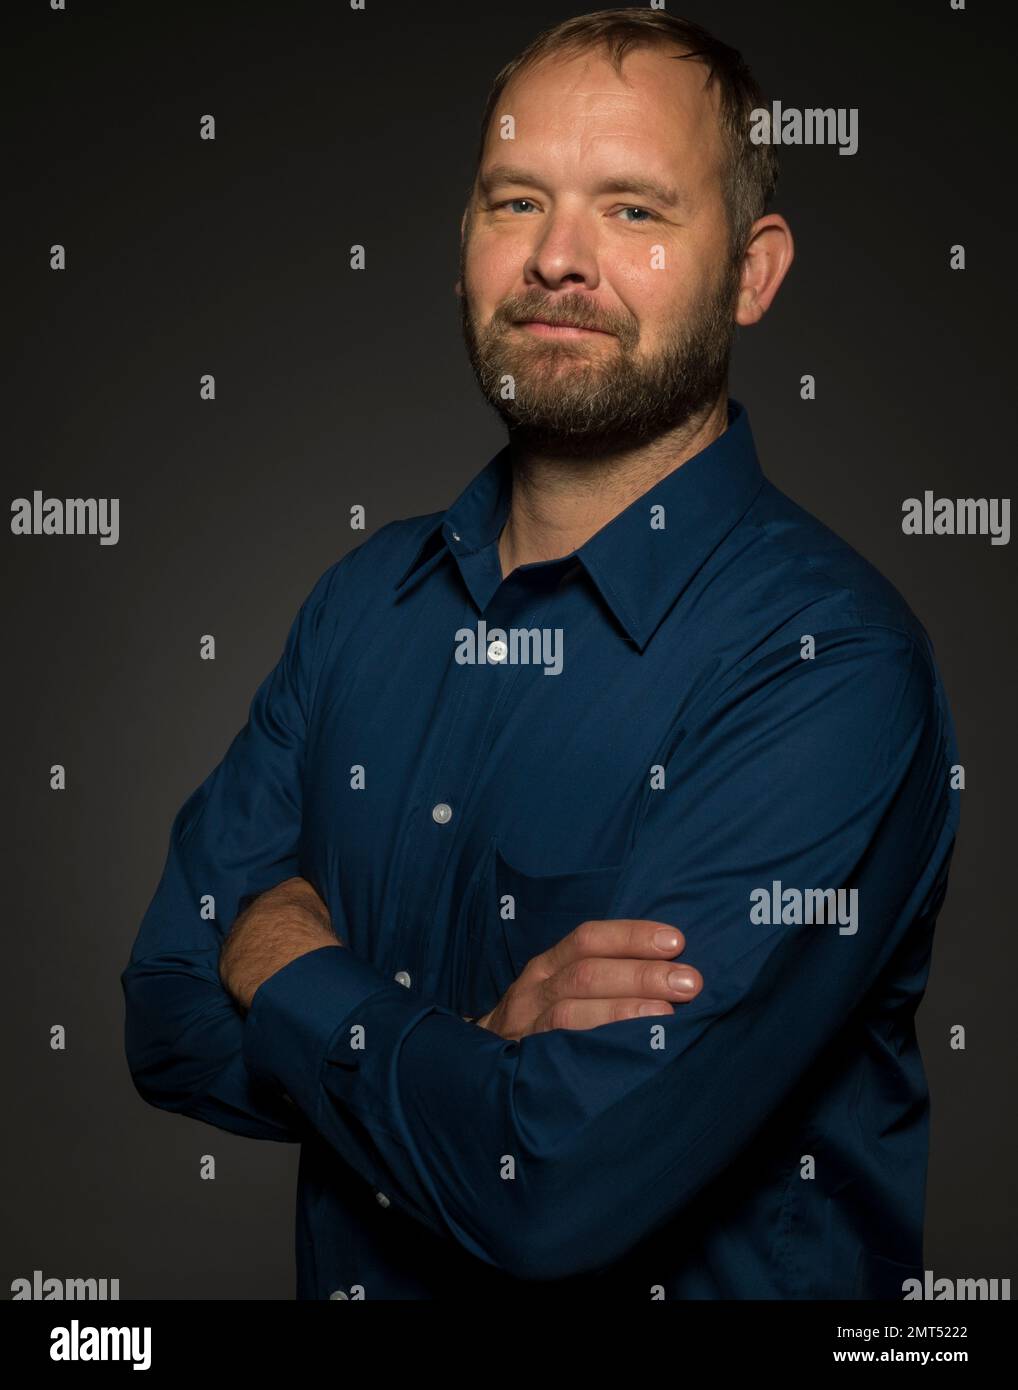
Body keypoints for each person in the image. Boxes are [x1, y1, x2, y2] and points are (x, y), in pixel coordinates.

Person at [121, 9, 960, 1299]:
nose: (559, 258)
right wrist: (463, 1053)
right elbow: (165, 1007)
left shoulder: (829, 669)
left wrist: (296, 974)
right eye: (518, 199)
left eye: (633, 210)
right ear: (463, 242)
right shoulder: (362, 605)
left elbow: (557, 1179)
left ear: (751, 269)